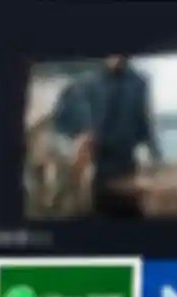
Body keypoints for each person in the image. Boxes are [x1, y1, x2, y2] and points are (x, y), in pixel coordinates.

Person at [56, 55, 163, 218]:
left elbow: (144, 120)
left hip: (127, 161)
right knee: (101, 210)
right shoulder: (87, 83)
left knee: (129, 210)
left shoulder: (139, 82)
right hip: (98, 163)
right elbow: (63, 118)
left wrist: (154, 153)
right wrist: (80, 135)